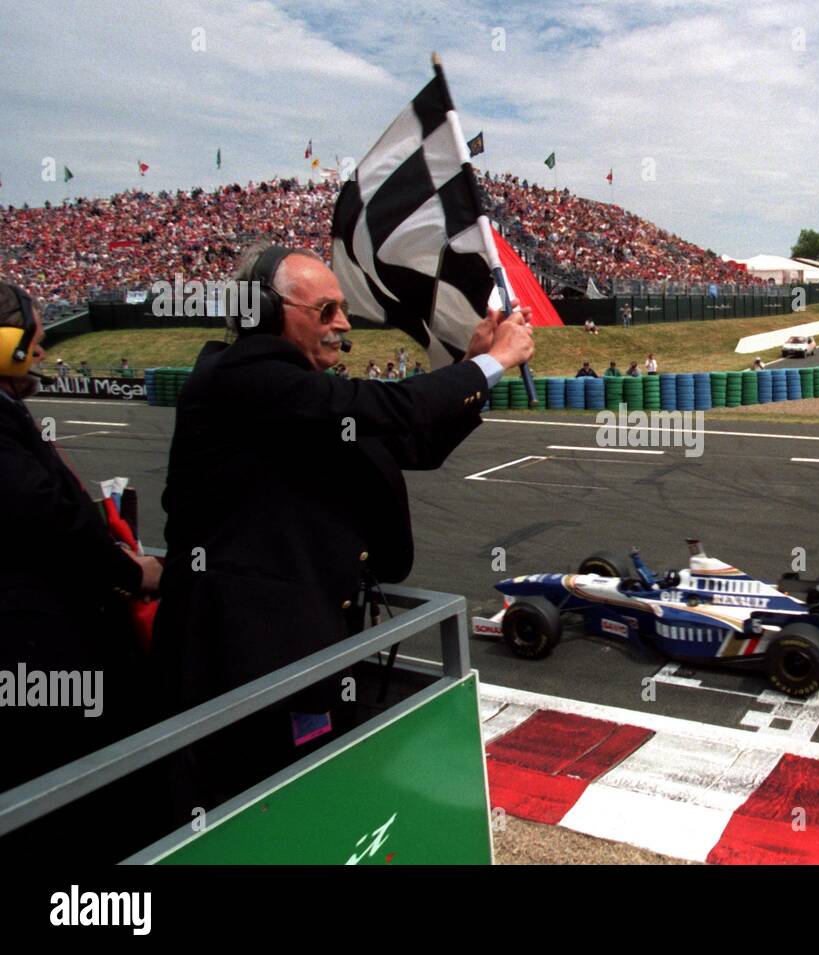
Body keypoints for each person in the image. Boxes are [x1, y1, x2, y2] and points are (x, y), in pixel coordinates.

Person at [150, 241, 533, 818]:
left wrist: (470, 369)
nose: (342, 323)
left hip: (307, 648)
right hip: (247, 658)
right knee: (263, 810)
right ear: (264, 311)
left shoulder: (301, 395)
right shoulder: (246, 378)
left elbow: (411, 443)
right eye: (325, 310)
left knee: (314, 797)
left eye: (341, 310)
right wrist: (489, 363)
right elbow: (385, 407)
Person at [0, 282, 163, 858]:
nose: (40, 355)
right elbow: (47, 521)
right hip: (44, 659)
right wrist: (131, 572)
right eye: (34, 343)